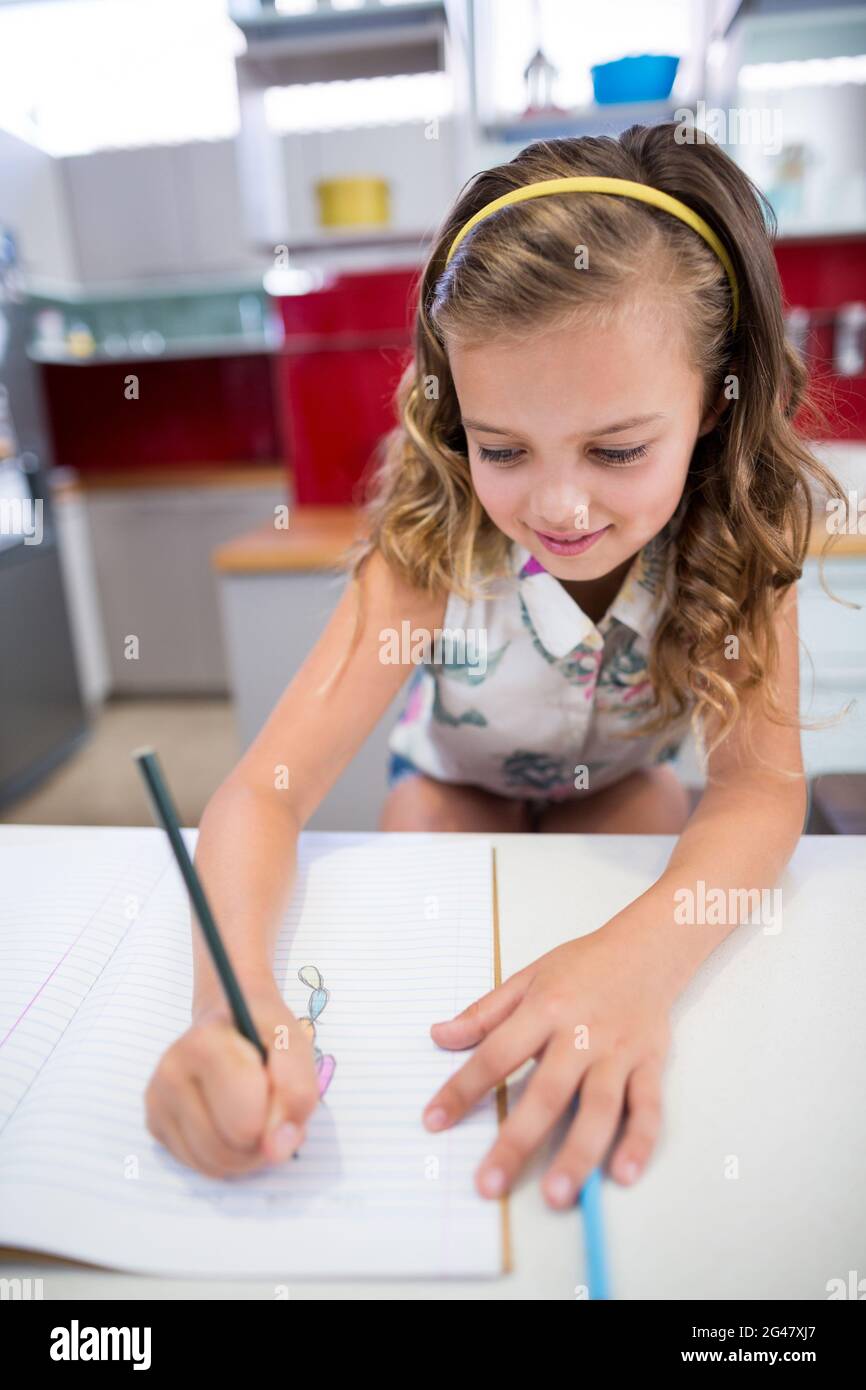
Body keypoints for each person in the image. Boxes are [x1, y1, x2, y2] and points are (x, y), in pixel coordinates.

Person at [146, 123, 848, 1207]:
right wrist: (221, 1010)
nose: (556, 509)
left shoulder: (735, 539)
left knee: (660, 833)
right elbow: (264, 794)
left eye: (616, 450)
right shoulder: (432, 543)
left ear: (713, 405)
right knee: (420, 874)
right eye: (502, 448)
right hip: (451, 786)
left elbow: (757, 792)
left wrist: (636, 963)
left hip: (614, 787)